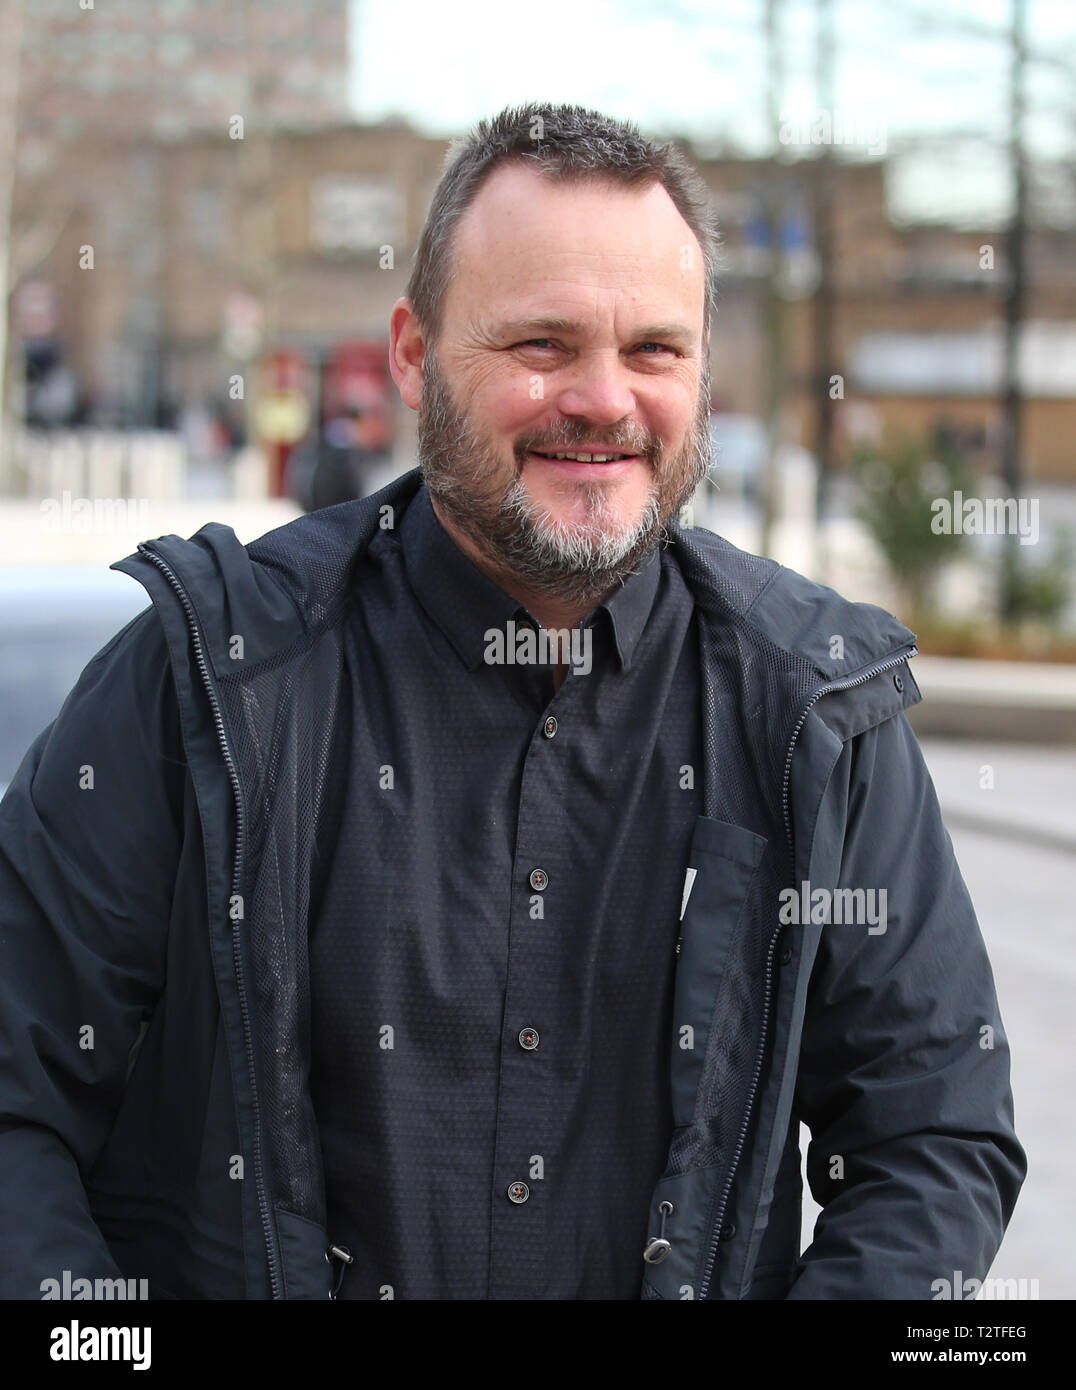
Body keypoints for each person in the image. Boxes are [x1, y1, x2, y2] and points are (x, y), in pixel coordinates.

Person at [0, 103, 1024, 1301]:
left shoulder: (816, 715)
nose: (601, 399)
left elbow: (930, 1142)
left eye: (652, 349)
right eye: (541, 343)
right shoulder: (205, 679)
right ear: (413, 352)